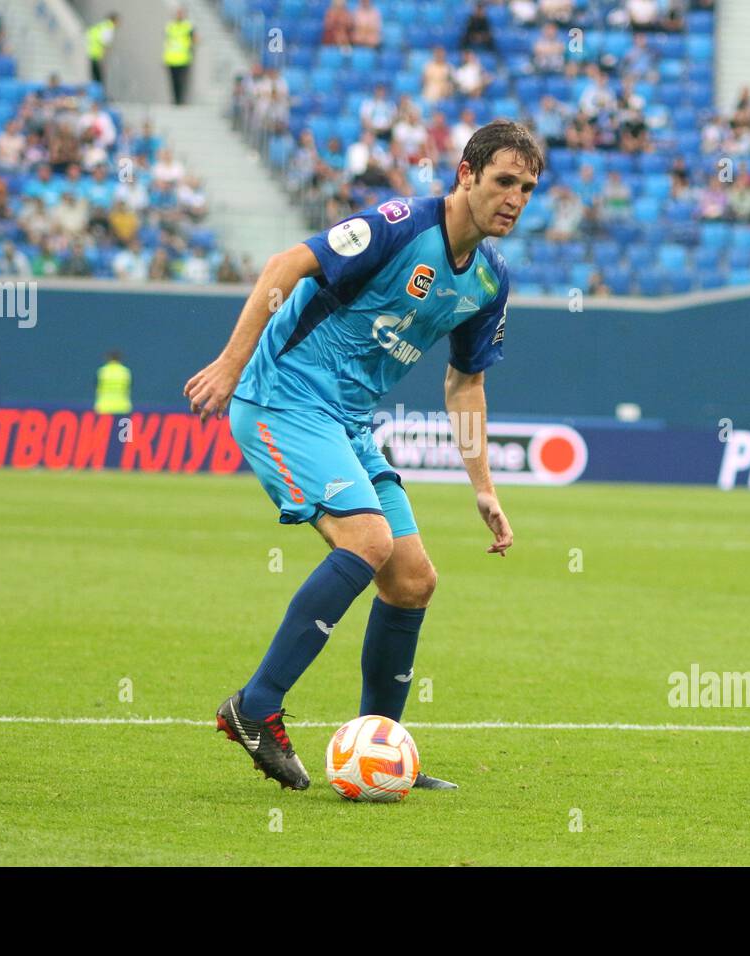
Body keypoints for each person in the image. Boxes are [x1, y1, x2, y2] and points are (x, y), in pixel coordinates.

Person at [184, 120, 543, 792]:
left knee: (412, 580)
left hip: (345, 423)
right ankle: (255, 705)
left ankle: (379, 751)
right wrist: (233, 364)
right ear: (465, 175)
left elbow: (466, 383)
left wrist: (484, 487)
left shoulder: (489, 282)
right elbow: (285, 266)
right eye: (503, 181)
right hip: (281, 399)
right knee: (369, 540)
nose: (515, 198)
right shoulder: (400, 224)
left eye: (526, 187)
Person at [164, 8, 195, 106]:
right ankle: (175, 101)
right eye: (178, 13)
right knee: (173, 82)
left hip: (184, 58)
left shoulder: (188, 26)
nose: (179, 15)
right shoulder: (170, 26)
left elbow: (195, 39)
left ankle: (181, 101)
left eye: (181, 14)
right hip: (171, 58)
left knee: (181, 82)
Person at [86, 13, 119, 89]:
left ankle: (96, 94)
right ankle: (99, 95)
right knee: (99, 76)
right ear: (114, 20)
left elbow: (89, 34)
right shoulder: (109, 28)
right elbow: (105, 43)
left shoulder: (101, 26)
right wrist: (104, 57)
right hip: (98, 54)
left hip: (92, 52)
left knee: (94, 76)